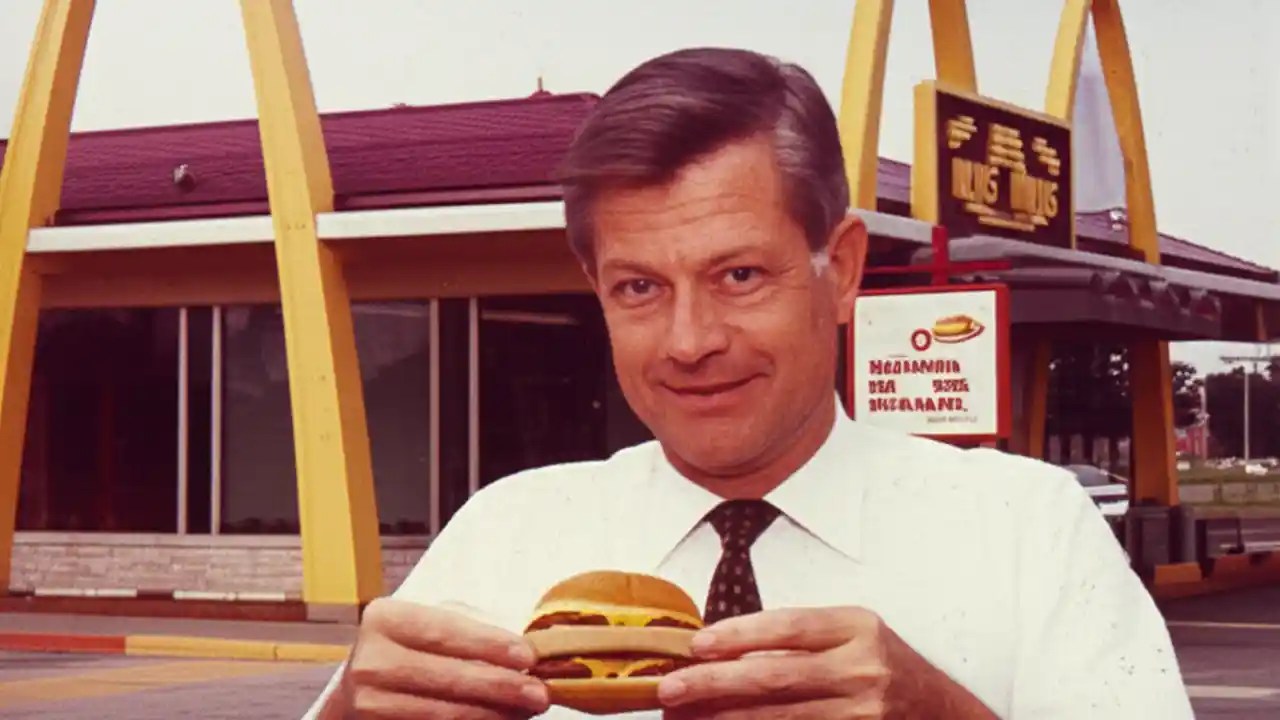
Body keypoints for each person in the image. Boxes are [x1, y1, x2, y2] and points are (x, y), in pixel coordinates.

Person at [304, 47, 1193, 719]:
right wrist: (347, 708)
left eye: (739, 277)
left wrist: (946, 712)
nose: (690, 343)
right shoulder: (502, 533)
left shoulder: (1028, 530)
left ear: (841, 269)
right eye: (640, 287)